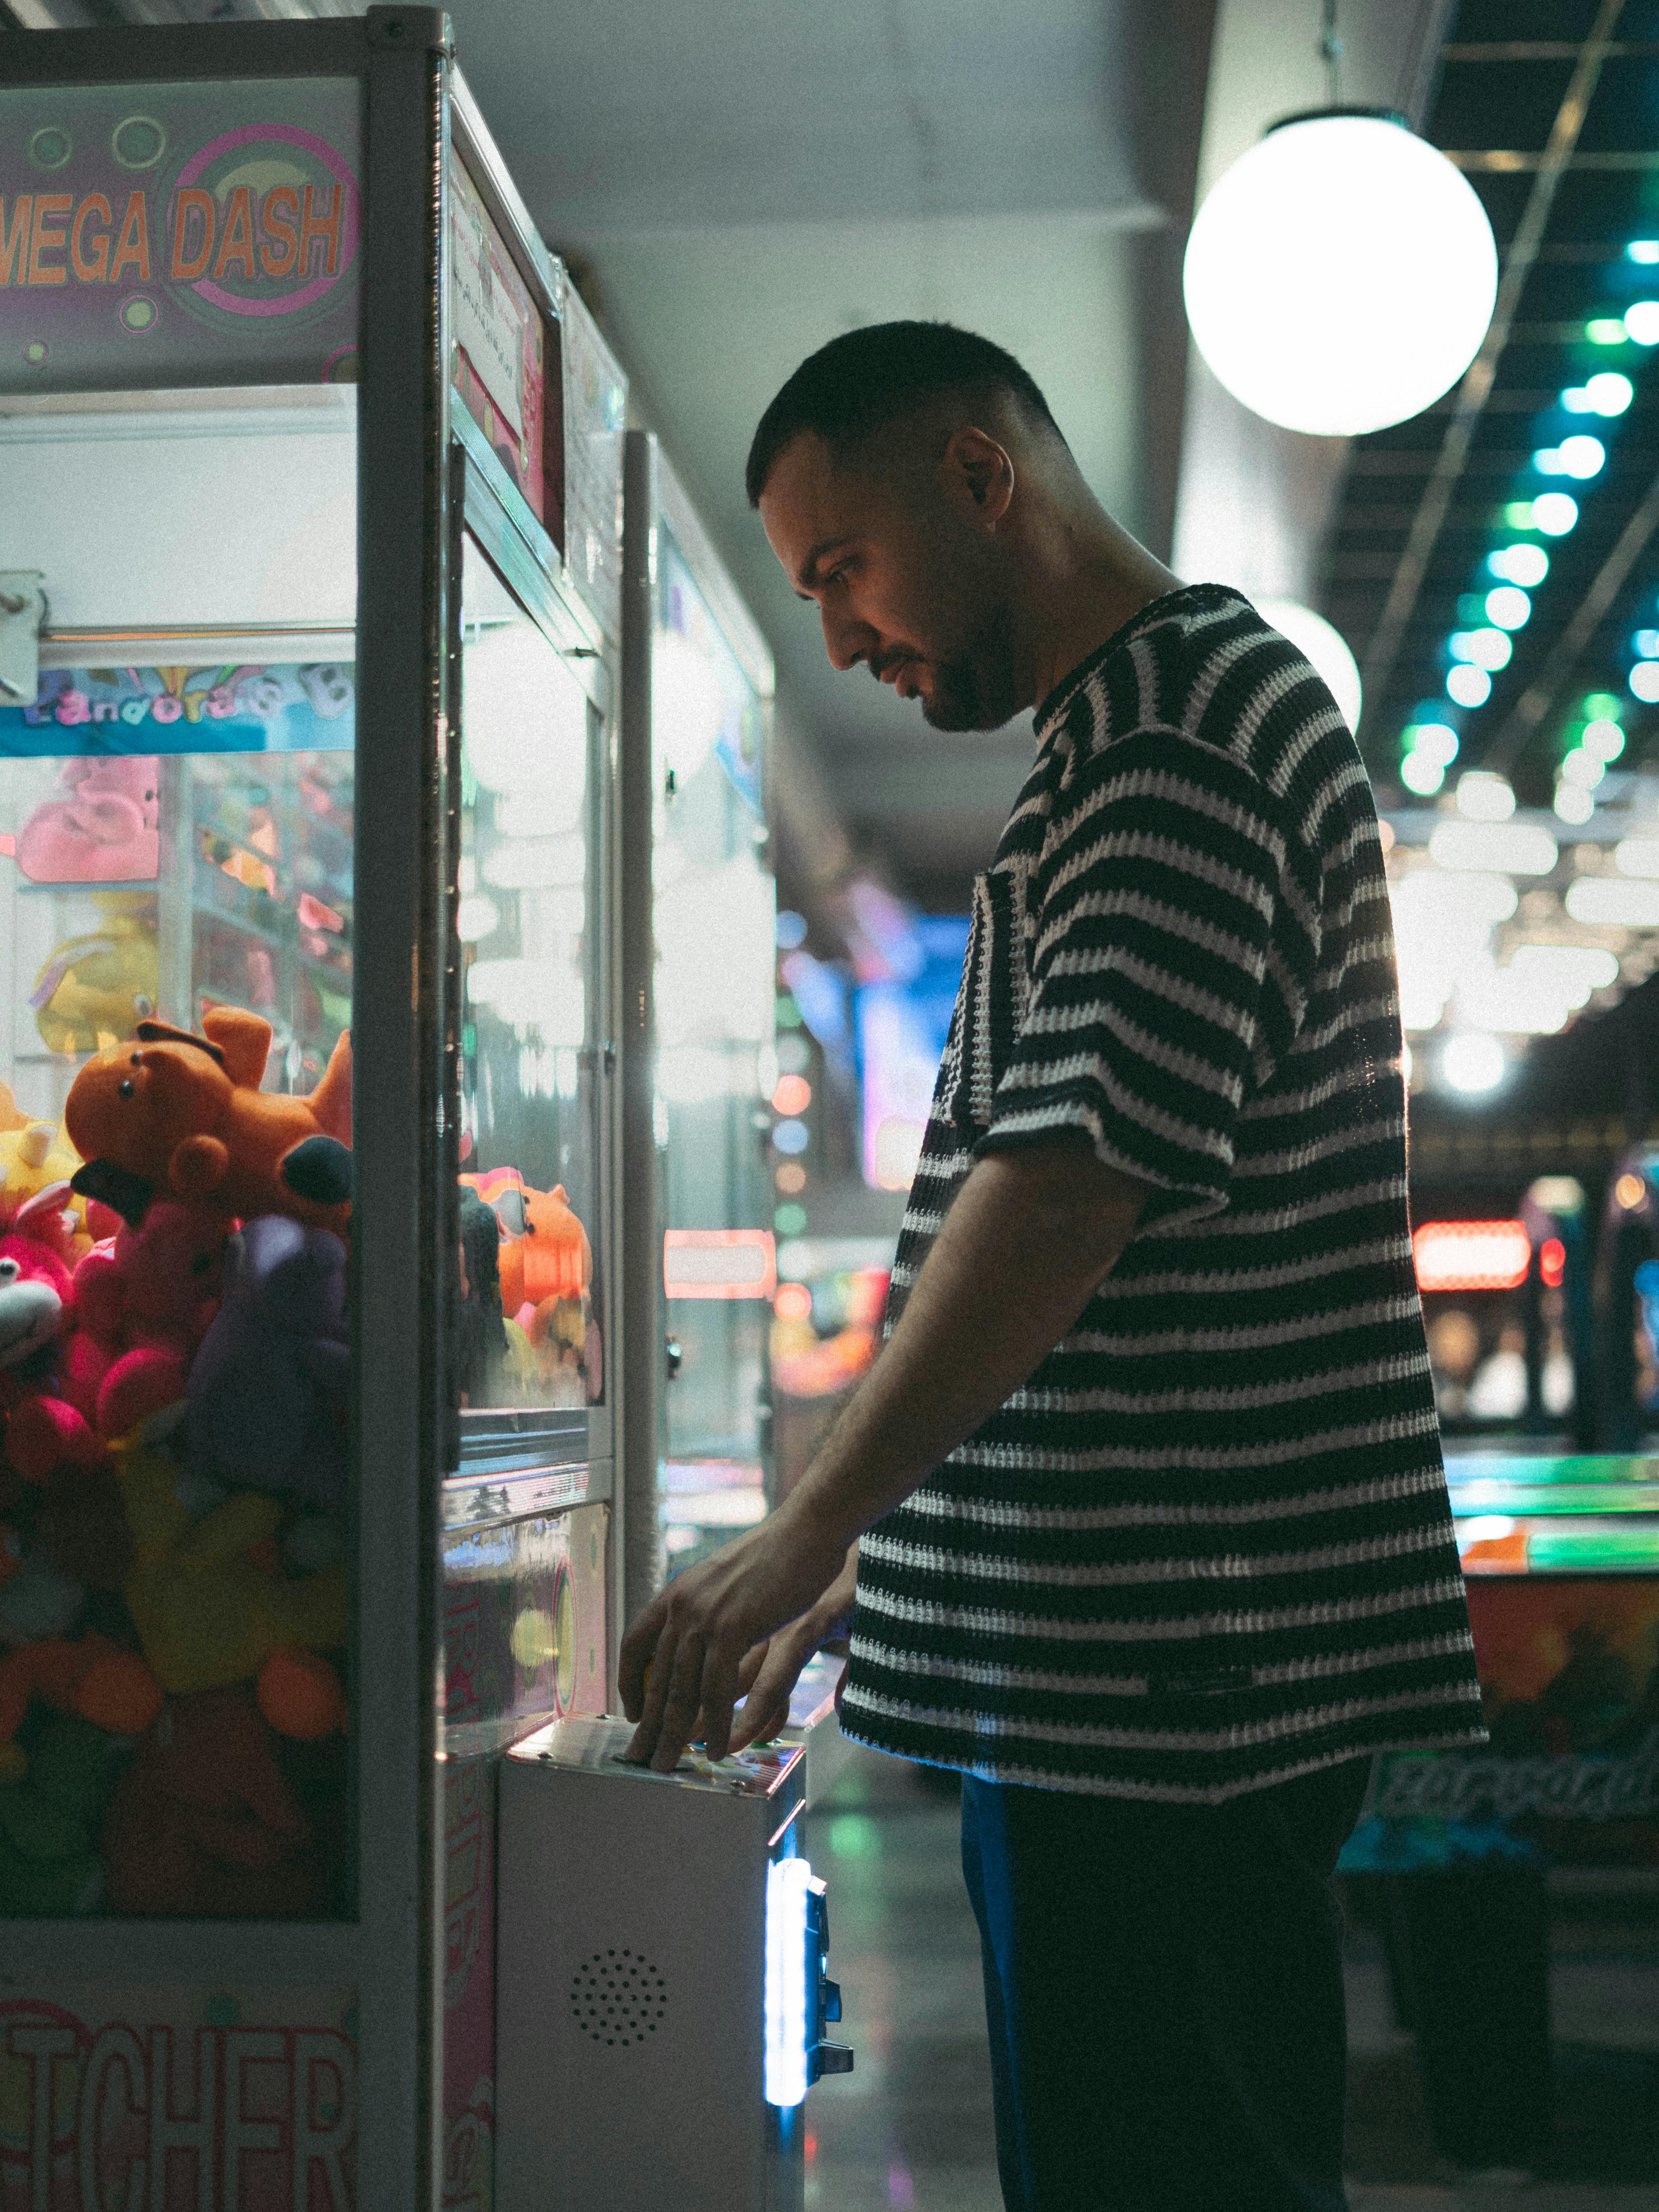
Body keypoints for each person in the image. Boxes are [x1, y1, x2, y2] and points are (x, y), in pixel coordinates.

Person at [619, 321, 1485, 2211]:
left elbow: (1077, 1181)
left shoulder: (1179, 726)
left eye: (839, 568)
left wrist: (808, 1522)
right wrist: (869, 1546)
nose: (839, 637)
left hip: (1171, 1666)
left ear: (980, 478)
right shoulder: (1131, 737)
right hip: (1144, 1662)